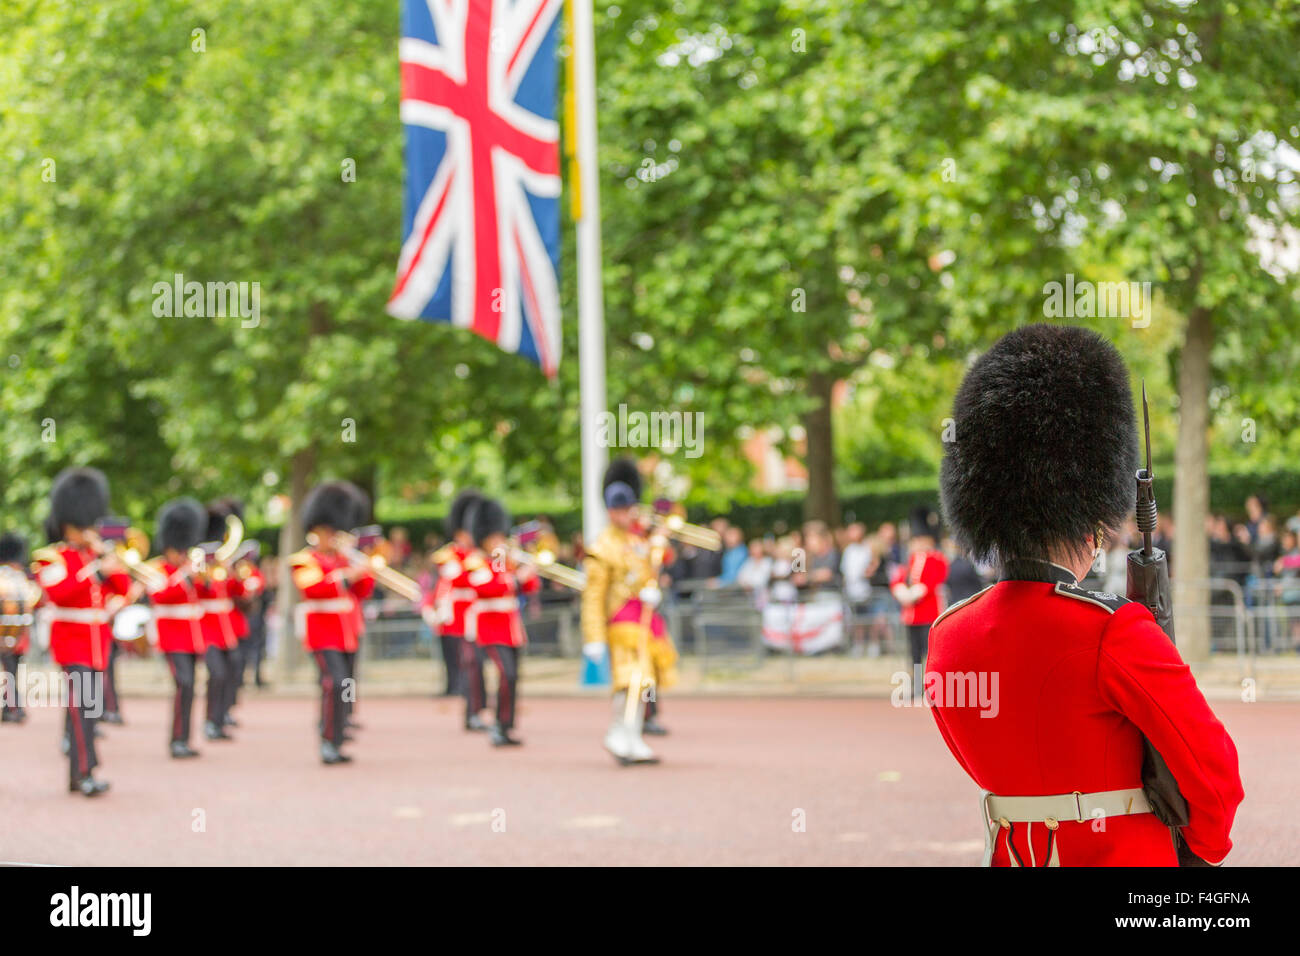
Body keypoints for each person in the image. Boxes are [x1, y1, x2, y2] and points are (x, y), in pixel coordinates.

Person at [929, 323, 1243, 866]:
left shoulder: (947, 637)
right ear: (1091, 522)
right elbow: (1214, 774)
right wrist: (1201, 852)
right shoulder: (1110, 629)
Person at [34, 467, 133, 796]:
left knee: (90, 709)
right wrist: (95, 570)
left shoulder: (96, 555)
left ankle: (80, 774)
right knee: (84, 708)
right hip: (70, 641)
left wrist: (108, 560)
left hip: (96, 641)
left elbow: (124, 586)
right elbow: (58, 593)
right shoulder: (51, 557)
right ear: (67, 524)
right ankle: (85, 772)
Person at [581, 459, 677, 764]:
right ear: (611, 512)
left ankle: (632, 735)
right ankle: (617, 731)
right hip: (621, 622)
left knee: (644, 680)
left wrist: (652, 588)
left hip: (642, 620)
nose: (628, 514)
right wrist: (593, 638)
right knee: (628, 679)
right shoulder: (603, 546)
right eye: (622, 510)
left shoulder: (637, 541)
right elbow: (593, 597)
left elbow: (648, 571)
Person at [291, 481, 374, 765]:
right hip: (322, 634)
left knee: (346, 684)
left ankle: (338, 739)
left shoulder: (343, 560)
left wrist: (365, 571)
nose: (333, 536)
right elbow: (314, 589)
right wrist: (349, 574)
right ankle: (327, 740)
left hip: (347, 632)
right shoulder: (304, 560)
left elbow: (362, 594)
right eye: (329, 530)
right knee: (334, 684)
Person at [463, 497, 538, 747]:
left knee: (514, 677)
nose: (498, 541)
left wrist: (528, 570)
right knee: (506, 674)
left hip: (511, 628)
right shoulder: (476, 560)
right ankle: (497, 723)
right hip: (491, 628)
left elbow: (529, 586)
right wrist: (513, 576)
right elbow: (486, 587)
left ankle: (506, 725)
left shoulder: (505, 560)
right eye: (493, 537)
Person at [146, 498, 208, 758]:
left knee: (190, 686)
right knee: (183, 683)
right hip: (171, 637)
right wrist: (185, 576)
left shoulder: (190, 568)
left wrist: (201, 578)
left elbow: (208, 593)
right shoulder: (157, 568)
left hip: (192, 636)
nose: (182, 554)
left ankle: (184, 738)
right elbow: (160, 596)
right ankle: (176, 740)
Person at [425, 489, 489, 728]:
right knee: (465, 664)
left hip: (478, 617)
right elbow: (452, 581)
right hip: (455, 618)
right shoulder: (448, 555)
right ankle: (471, 711)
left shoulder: (479, 554)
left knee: (475, 665)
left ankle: (476, 708)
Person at [890, 507, 948, 696]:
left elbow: (932, 581)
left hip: (929, 613)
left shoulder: (936, 559)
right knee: (914, 655)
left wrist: (914, 592)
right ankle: (916, 685)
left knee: (930, 654)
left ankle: (933, 686)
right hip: (911, 616)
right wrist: (901, 591)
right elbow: (898, 578)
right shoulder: (910, 559)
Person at [0, 532, 39, 724]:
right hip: (3, 631)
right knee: (9, 669)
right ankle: (11, 707)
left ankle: (12, 705)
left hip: (16, 632)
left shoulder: (20, 577)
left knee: (13, 669)